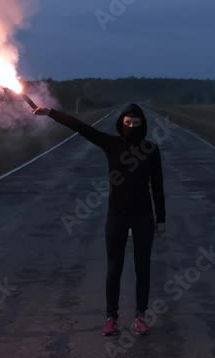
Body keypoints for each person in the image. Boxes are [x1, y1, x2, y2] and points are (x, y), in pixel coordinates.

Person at [34, 103, 165, 337]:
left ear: (143, 124)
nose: (132, 126)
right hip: (117, 215)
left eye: (136, 123)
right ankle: (110, 318)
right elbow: (81, 127)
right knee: (114, 268)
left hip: (144, 216)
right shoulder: (111, 144)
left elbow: (157, 186)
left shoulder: (151, 149)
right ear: (121, 123)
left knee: (142, 268)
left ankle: (140, 317)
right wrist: (51, 113)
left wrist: (161, 219)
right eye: (128, 123)